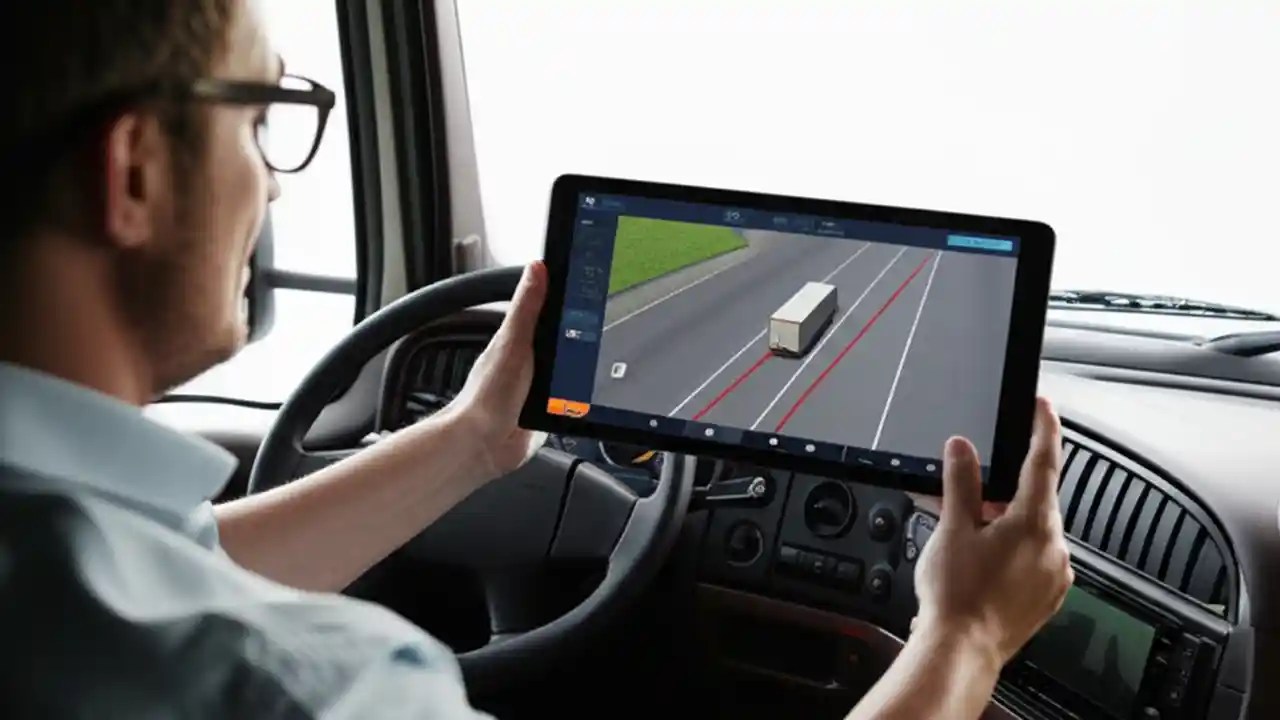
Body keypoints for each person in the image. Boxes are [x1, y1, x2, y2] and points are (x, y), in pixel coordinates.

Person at [0, 1, 1071, 717]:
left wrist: (471, 444)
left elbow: (169, 565)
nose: (273, 185)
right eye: (260, 119)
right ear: (134, 171)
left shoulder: (57, 562)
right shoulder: (303, 684)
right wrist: (966, 637)